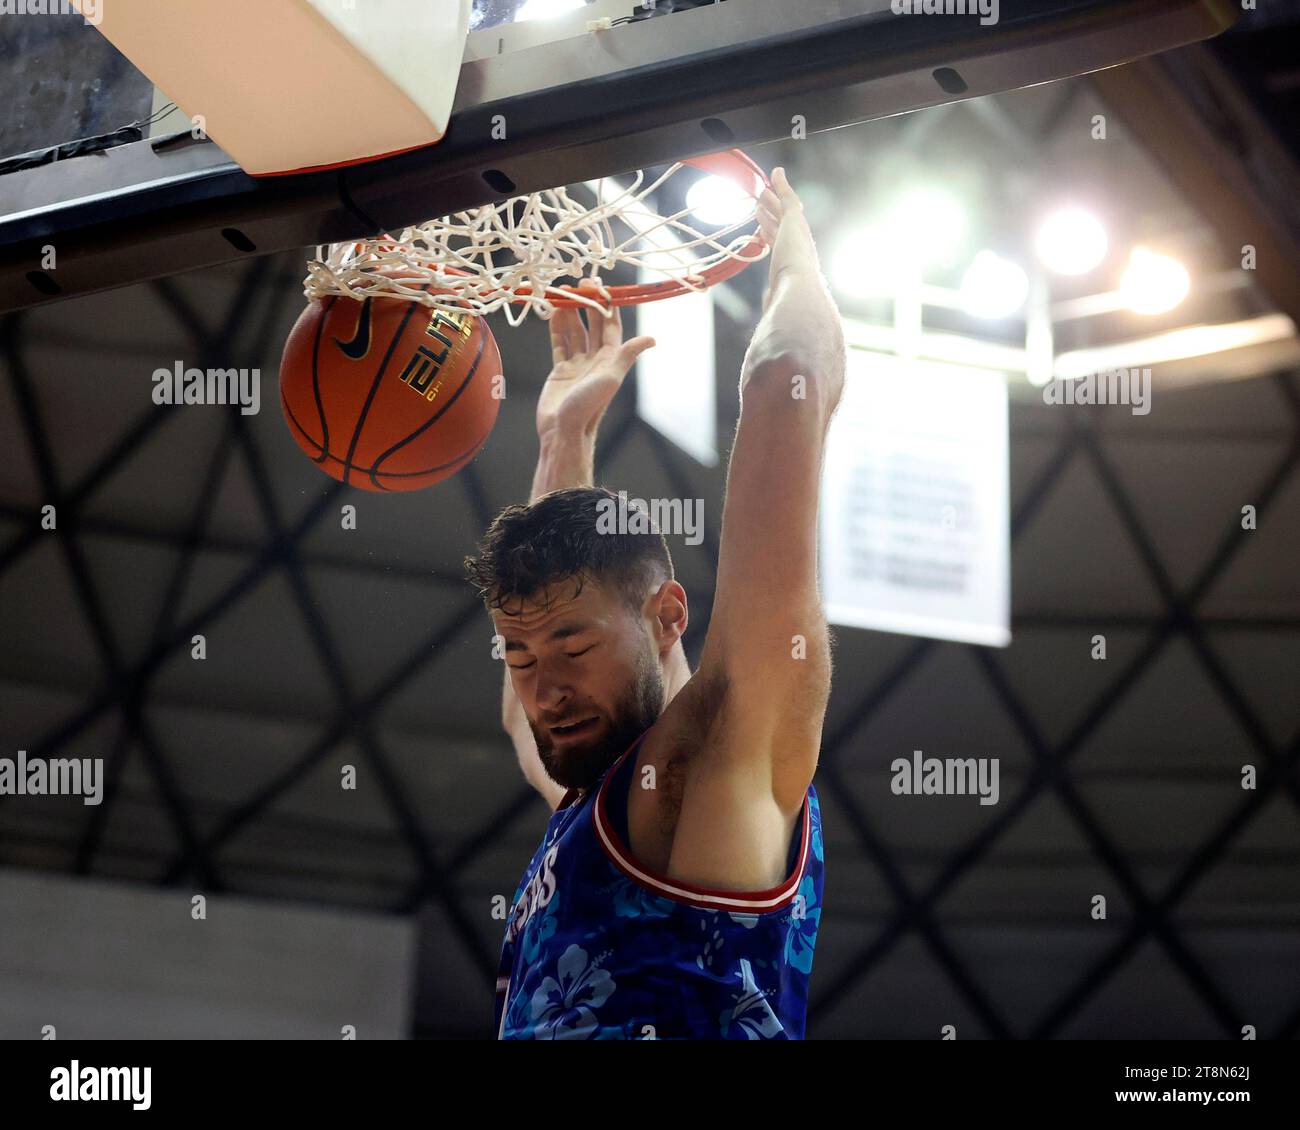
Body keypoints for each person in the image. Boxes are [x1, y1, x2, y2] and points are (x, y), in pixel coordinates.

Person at [465, 168, 845, 1039]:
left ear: (671, 615)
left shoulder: (718, 757)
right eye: (519, 659)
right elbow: (529, 728)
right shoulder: (592, 790)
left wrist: (793, 254)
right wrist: (565, 436)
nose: (544, 689)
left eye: (571, 646)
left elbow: (789, 380)